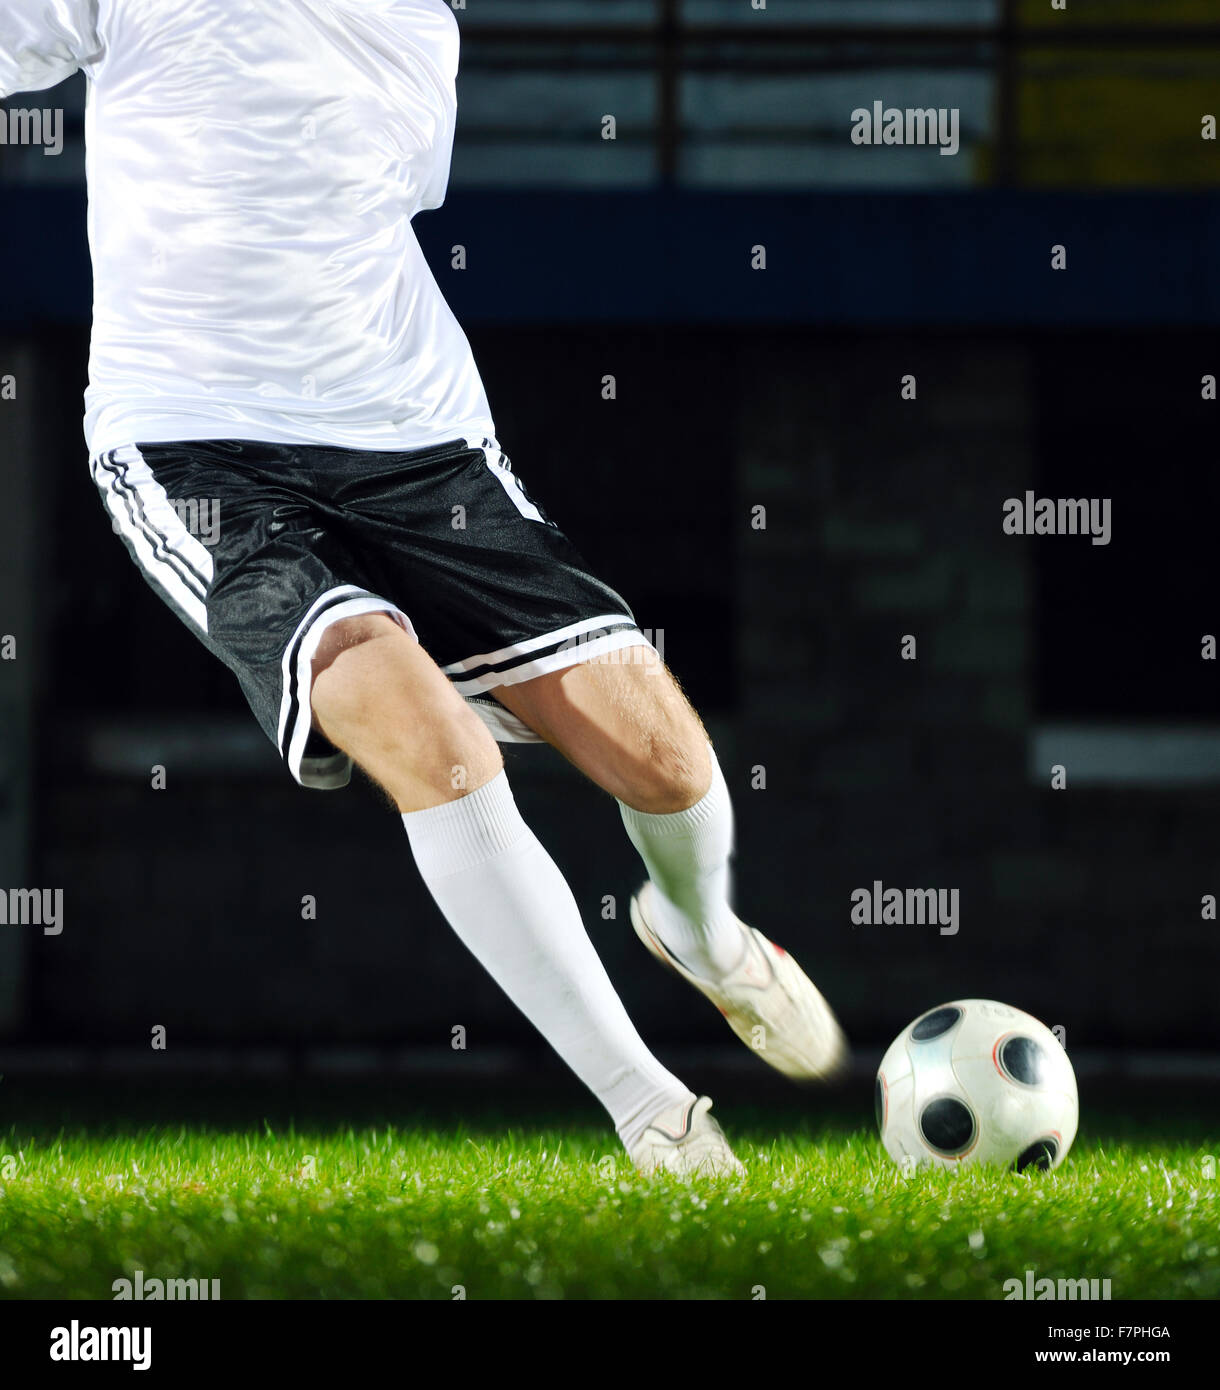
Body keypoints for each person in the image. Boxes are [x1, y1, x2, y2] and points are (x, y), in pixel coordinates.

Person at [0, 0, 845, 1176]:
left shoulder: (414, 26)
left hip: (417, 439)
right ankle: (651, 1109)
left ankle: (700, 932)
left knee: (666, 758)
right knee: (440, 748)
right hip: (195, 445)